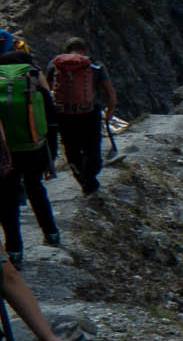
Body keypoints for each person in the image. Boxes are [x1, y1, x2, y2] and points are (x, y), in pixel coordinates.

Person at [0, 39, 56, 265]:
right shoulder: (32, 74)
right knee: (35, 188)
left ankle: (14, 249)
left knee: (7, 199)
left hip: (4, 150)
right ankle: (51, 232)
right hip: (33, 146)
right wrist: (51, 150)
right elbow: (50, 113)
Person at [44, 40, 114, 199]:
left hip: (63, 114)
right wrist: (110, 110)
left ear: (66, 50)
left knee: (71, 149)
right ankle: (89, 181)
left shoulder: (54, 65)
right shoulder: (94, 65)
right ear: (85, 49)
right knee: (92, 150)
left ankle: (83, 180)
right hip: (89, 113)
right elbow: (110, 92)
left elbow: (47, 91)